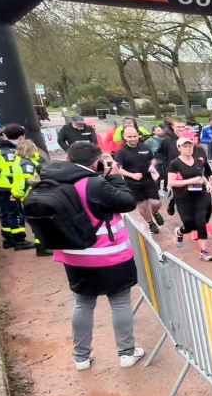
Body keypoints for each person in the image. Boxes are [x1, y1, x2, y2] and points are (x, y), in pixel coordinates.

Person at [44, 143, 144, 369]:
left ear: (68, 159)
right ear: (96, 162)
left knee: (82, 304)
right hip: (109, 255)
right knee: (119, 302)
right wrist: (115, 176)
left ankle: (81, 357)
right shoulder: (94, 184)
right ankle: (127, 353)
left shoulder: (52, 179)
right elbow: (127, 202)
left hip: (73, 254)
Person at [168, 137, 212, 262]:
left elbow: (201, 177)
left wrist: (207, 184)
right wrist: (190, 181)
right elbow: (171, 182)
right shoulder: (175, 163)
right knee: (189, 225)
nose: (188, 149)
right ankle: (180, 232)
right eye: (185, 146)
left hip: (200, 195)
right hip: (183, 197)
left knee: (201, 221)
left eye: (190, 146)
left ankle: (203, 251)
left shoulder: (198, 161)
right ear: (179, 148)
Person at [0, 124, 33, 250]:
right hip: (8, 186)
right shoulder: (9, 152)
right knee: (15, 214)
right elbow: (12, 171)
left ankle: (8, 238)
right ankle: (19, 240)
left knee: (5, 213)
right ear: (21, 137)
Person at [114, 126, 163, 234]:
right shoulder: (121, 151)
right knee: (143, 205)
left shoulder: (144, 147)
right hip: (133, 182)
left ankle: (155, 212)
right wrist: (132, 175)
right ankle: (151, 223)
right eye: (129, 136)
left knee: (156, 203)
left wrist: (153, 169)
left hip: (148, 180)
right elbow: (118, 168)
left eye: (135, 136)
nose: (133, 139)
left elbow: (152, 160)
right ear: (124, 137)